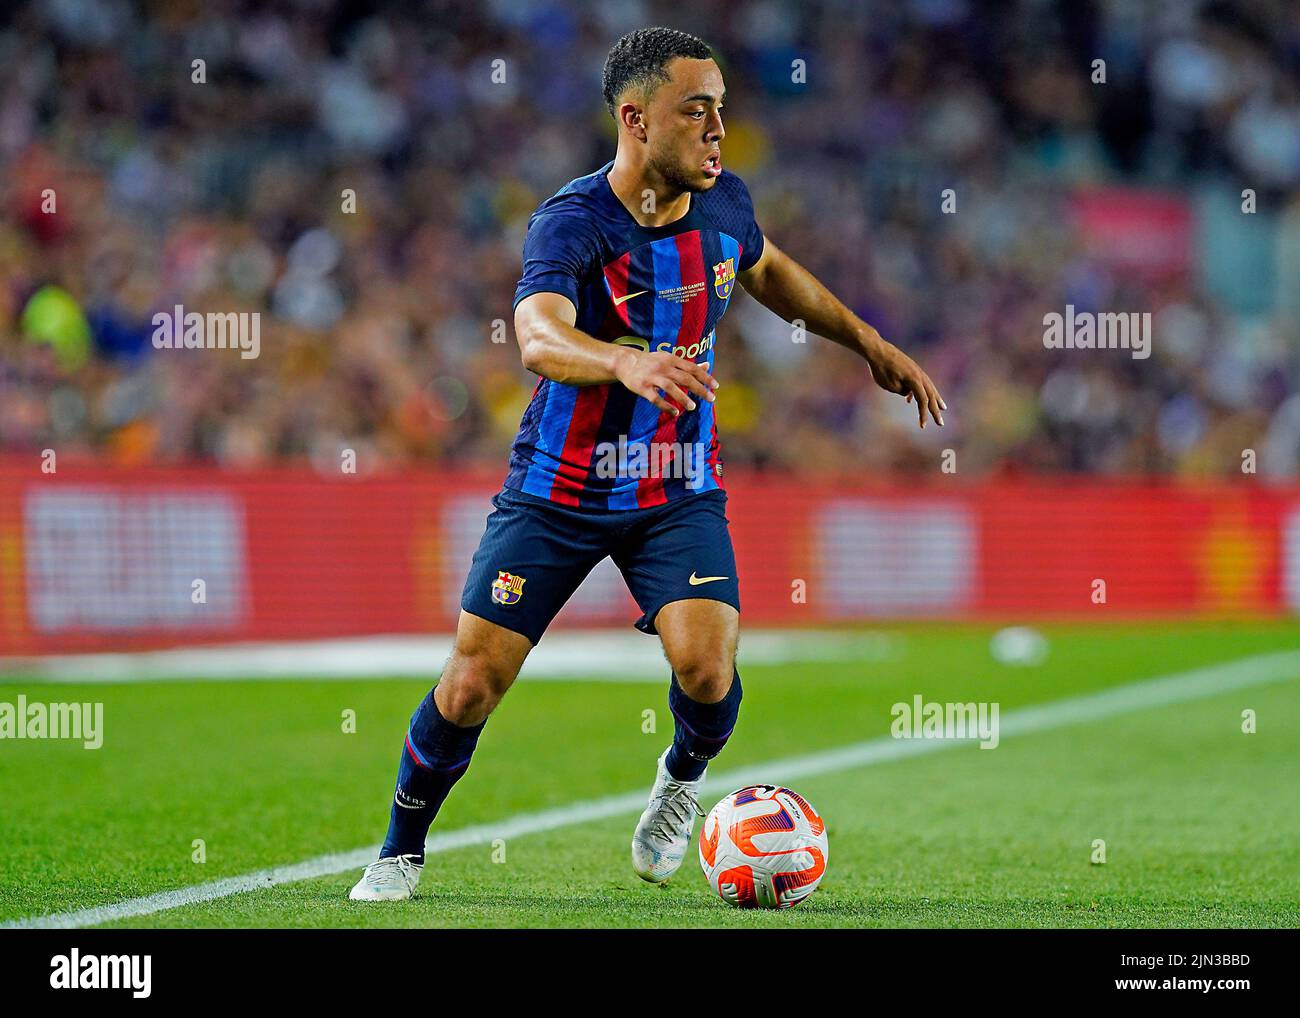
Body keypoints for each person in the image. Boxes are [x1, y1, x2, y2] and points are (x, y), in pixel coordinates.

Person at [350, 26, 944, 901]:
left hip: (675, 489)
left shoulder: (726, 202)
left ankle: (678, 782)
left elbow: (769, 270)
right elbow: (538, 335)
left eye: (721, 111)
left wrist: (867, 341)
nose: (717, 131)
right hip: (559, 489)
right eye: (696, 111)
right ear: (635, 118)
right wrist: (622, 359)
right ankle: (401, 847)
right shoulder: (574, 221)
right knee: (474, 680)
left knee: (708, 670)